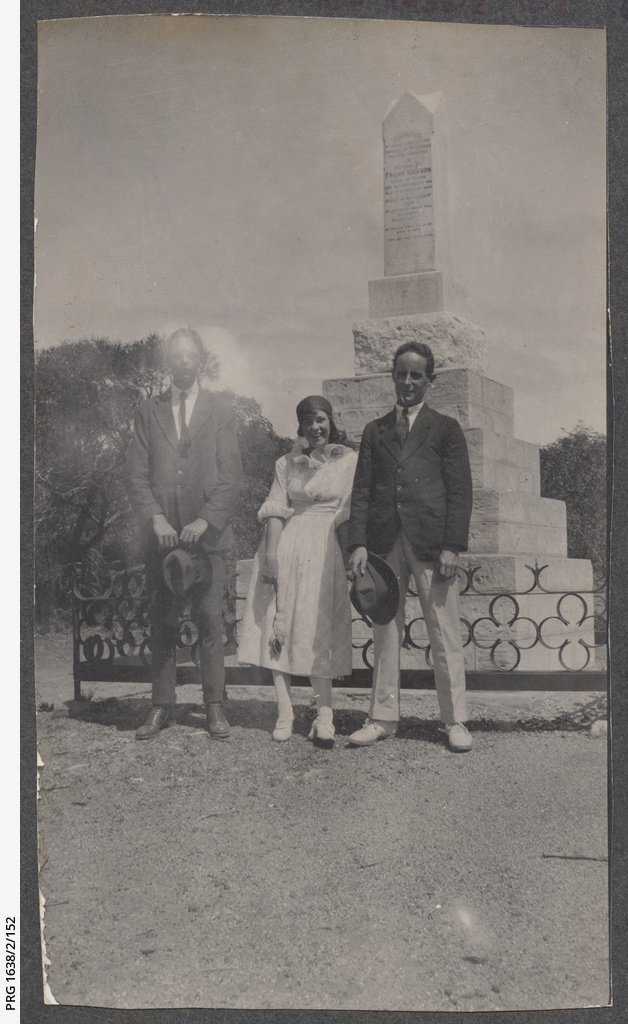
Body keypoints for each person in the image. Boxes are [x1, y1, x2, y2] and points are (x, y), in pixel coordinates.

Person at [346, 341, 474, 752]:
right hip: (384, 544)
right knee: (385, 630)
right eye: (401, 374)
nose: (407, 382)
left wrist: (452, 545)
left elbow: (460, 491)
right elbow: (362, 492)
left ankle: (455, 720)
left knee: (444, 631)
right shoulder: (375, 430)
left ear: (429, 381)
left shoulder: (446, 428)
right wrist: (359, 544)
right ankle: (382, 717)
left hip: (432, 544)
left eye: (416, 375)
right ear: (393, 377)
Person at [125, 328, 244, 740]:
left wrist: (206, 520)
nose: (183, 362)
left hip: (207, 538)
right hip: (162, 538)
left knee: (210, 619)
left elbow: (232, 477)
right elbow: (135, 475)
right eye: (175, 356)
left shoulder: (221, 409)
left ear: (201, 361)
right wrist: (154, 517)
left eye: (190, 355)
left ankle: (214, 707)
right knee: (162, 620)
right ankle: (161, 707)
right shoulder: (147, 410)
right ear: (168, 362)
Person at [237, 396, 358, 747]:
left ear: (331, 421)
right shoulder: (286, 463)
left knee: (317, 630)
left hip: (324, 548)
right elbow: (276, 508)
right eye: (308, 422)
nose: (315, 428)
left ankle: (325, 716)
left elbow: (350, 510)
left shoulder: (348, 461)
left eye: (320, 420)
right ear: (300, 427)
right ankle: (285, 711)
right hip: (286, 546)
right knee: (281, 623)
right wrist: (271, 555)